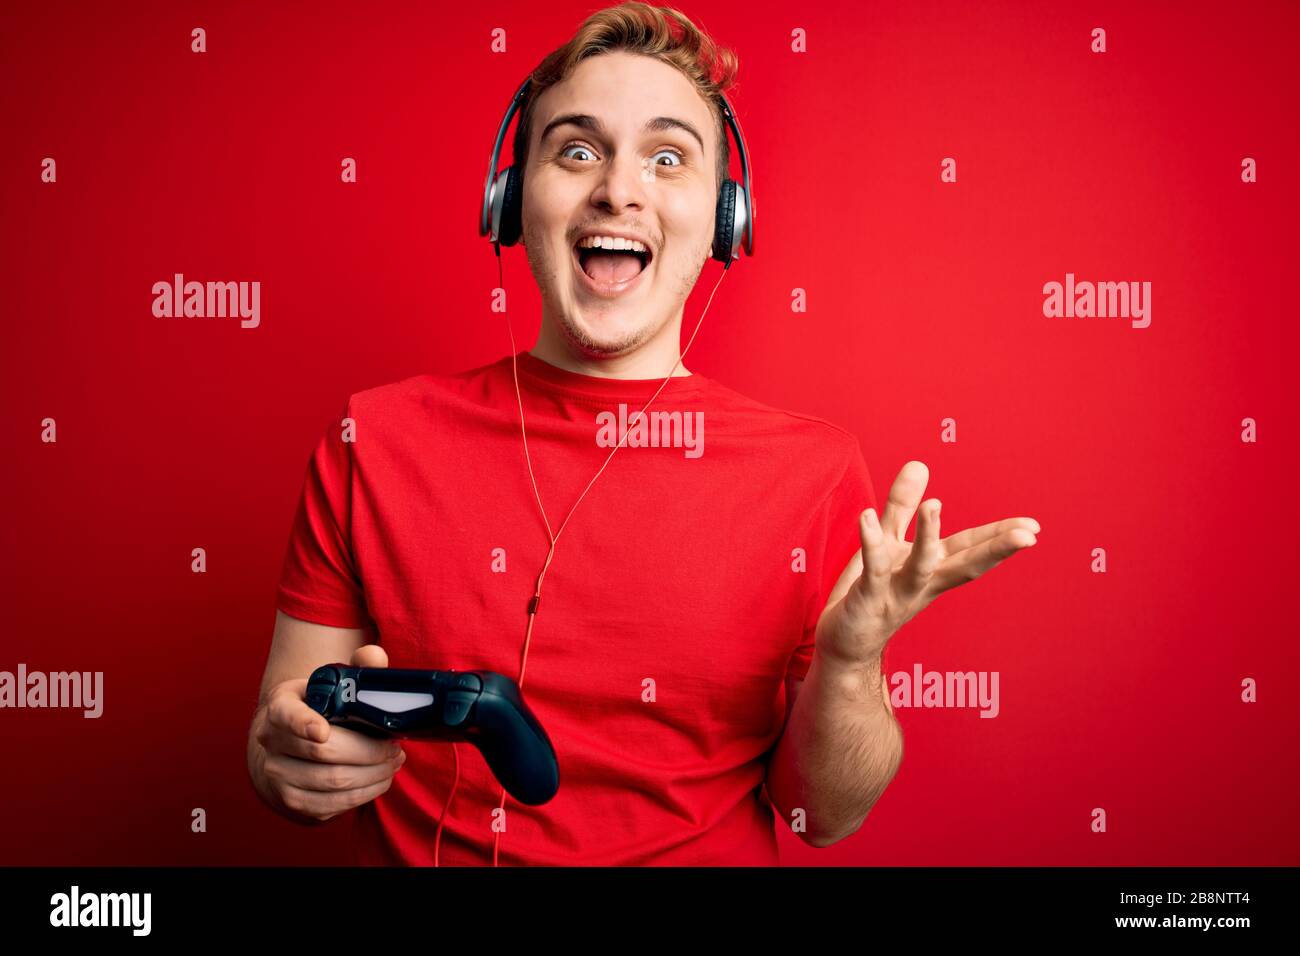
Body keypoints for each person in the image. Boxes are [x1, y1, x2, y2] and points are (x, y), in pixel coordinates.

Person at [245, 1, 1039, 866]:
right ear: (509, 203)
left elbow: (828, 817)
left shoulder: (813, 473)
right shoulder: (373, 439)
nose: (619, 190)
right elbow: (278, 737)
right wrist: (287, 761)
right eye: (578, 150)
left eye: (668, 159)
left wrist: (850, 667)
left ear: (725, 221)